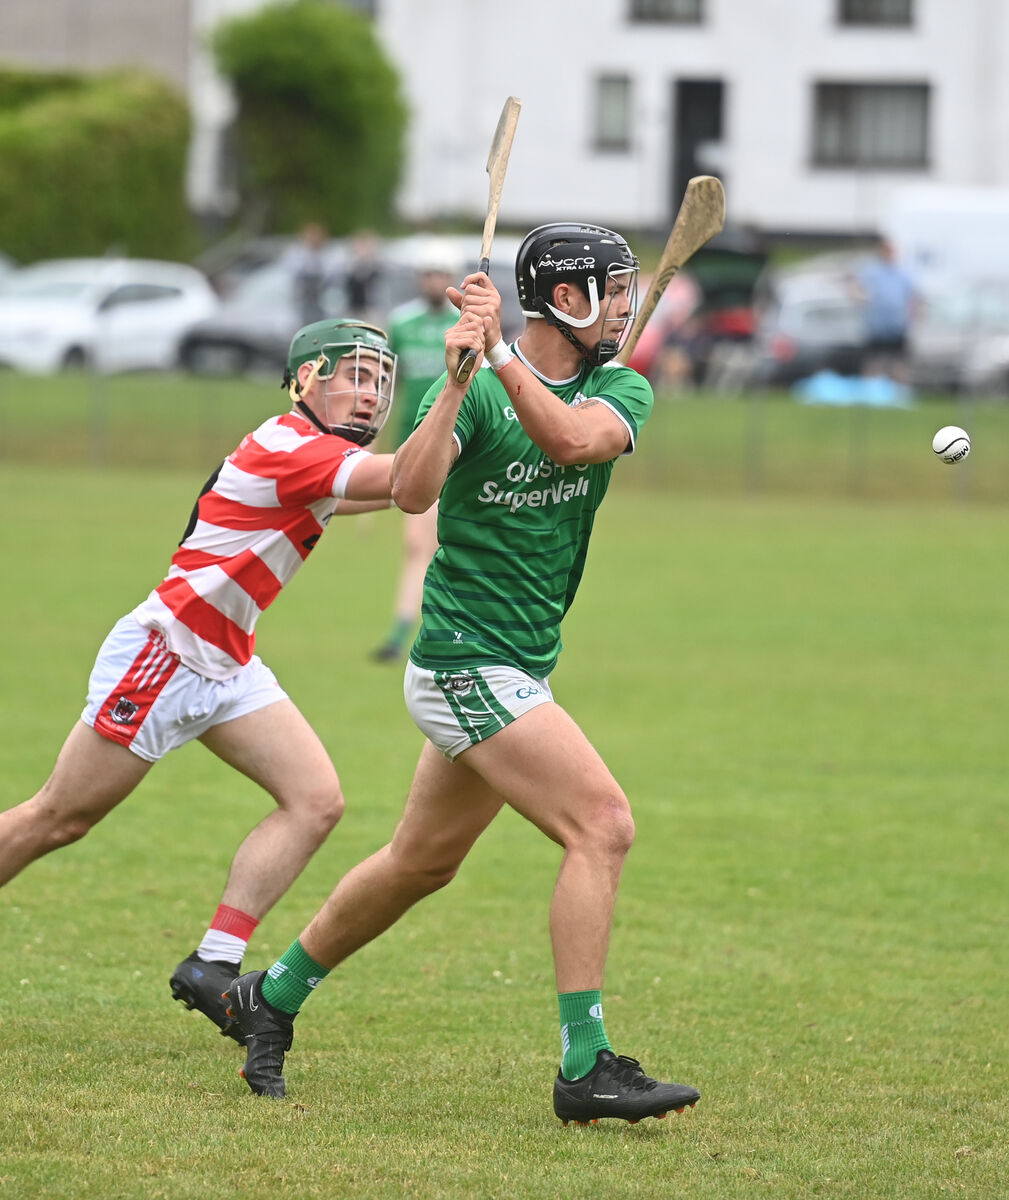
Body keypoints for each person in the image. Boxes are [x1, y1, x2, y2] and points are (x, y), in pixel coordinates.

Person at [223, 223, 703, 1126]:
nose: (630, 304)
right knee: (601, 825)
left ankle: (268, 998)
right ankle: (585, 1063)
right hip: (462, 661)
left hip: (520, 661)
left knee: (419, 863)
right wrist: (456, 377)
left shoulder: (618, 387)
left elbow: (568, 443)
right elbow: (410, 490)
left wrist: (501, 360)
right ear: (566, 300)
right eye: (614, 286)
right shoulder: (477, 393)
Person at [0, 319, 399, 1042]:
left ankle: (213, 963)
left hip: (227, 661)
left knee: (314, 801)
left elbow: (414, 487)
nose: (368, 394)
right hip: (168, 652)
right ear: (306, 380)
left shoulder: (319, 456)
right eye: (352, 376)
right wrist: (480, 386)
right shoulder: (290, 446)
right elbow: (410, 480)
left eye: (377, 380)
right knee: (58, 817)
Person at [371, 239, 462, 662]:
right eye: (428, 274)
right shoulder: (402, 324)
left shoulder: (464, 323)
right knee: (418, 545)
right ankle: (402, 632)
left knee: (442, 546)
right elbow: (384, 394)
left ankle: (422, 632)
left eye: (440, 274)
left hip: (460, 452)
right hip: (413, 452)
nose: (434, 281)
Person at [854, 236, 918, 381]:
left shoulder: (903, 274)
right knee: (874, 361)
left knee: (898, 362)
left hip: (898, 325)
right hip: (877, 325)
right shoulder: (871, 272)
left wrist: (912, 317)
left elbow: (913, 297)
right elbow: (858, 289)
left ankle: (898, 393)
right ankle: (872, 391)